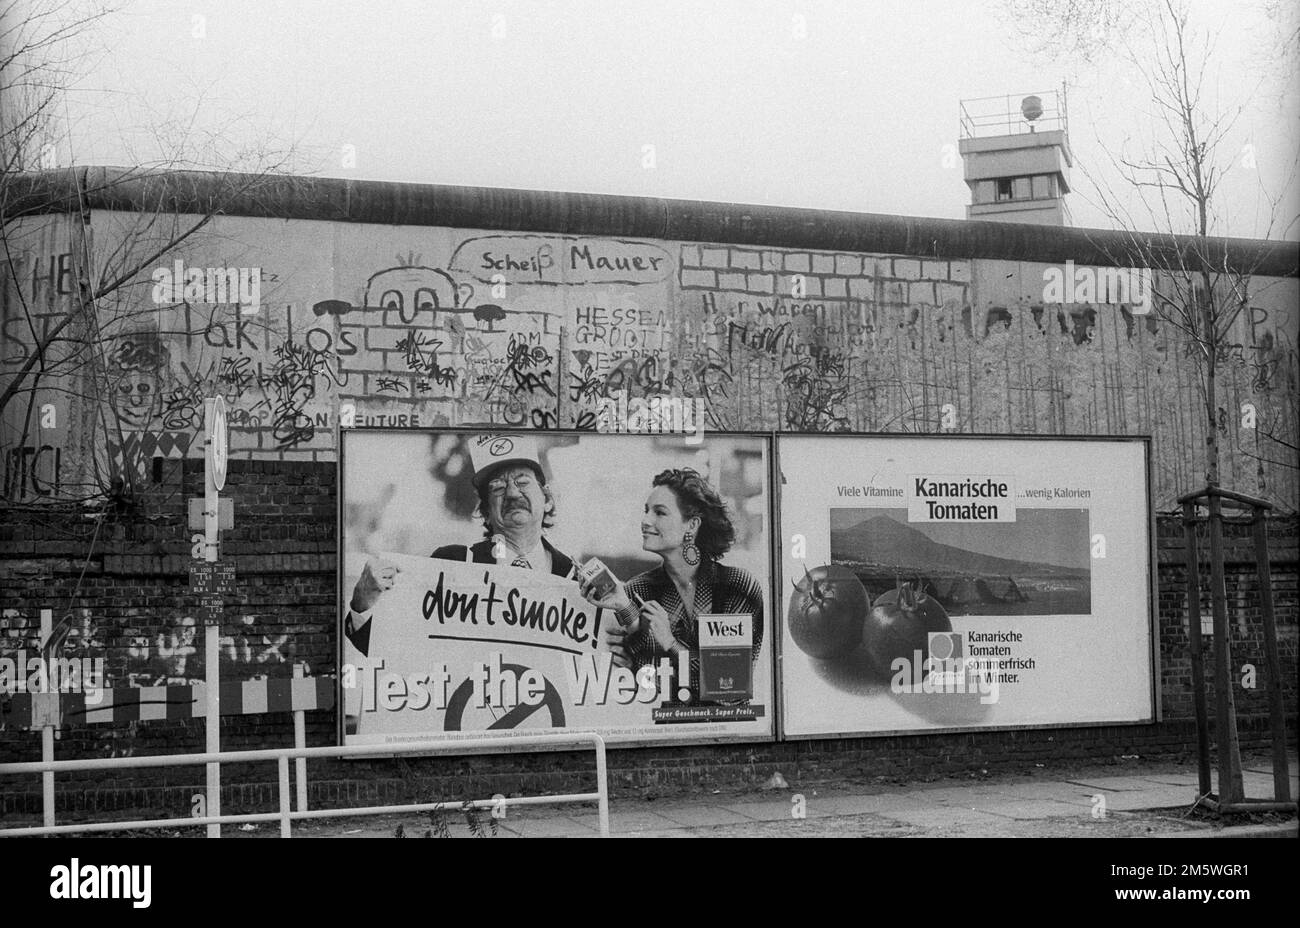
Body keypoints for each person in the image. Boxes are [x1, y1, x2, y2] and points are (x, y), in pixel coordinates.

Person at [344, 434, 577, 658]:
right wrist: (362, 603)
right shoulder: (451, 563)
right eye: (498, 487)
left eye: (523, 482)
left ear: (547, 500)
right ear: (485, 512)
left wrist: (615, 639)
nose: (512, 493)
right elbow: (393, 649)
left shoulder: (577, 579)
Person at [578, 467, 763, 701]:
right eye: (646, 511)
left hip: (726, 732)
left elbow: (727, 688)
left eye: (660, 513)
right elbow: (649, 685)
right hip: (662, 729)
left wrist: (668, 642)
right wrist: (625, 612)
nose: (645, 521)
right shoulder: (638, 590)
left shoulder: (737, 587)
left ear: (692, 525)